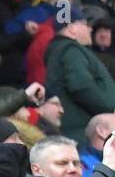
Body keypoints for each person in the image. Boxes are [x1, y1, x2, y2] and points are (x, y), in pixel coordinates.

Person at [44, 8, 115, 142]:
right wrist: (111, 107)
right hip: (81, 132)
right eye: (84, 24)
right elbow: (81, 85)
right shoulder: (70, 49)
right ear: (71, 28)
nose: (90, 29)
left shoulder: (60, 50)